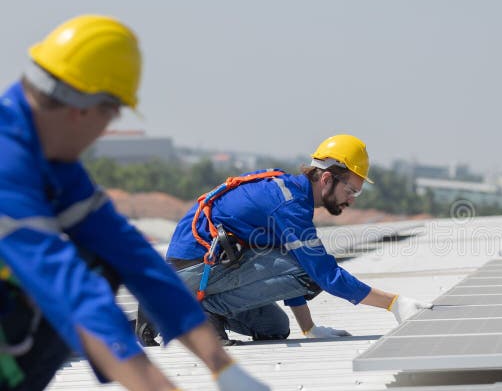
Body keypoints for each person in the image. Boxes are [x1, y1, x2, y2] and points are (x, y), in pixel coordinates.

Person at [0, 15, 298, 391]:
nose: (106, 130)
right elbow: (66, 289)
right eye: (111, 114)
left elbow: (132, 255)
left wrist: (223, 370)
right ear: (84, 109)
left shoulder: (48, 155)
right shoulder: (6, 161)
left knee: (100, 258)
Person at [138, 134, 432, 346]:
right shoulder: (289, 205)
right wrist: (394, 304)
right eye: (351, 190)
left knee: (274, 327)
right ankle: (198, 310)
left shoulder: (288, 195)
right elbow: (321, 273)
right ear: (327, 179)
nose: (352, 200)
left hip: (206, 272)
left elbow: (280, 257)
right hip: (190, 273)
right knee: (313, 268)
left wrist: (309, 329)